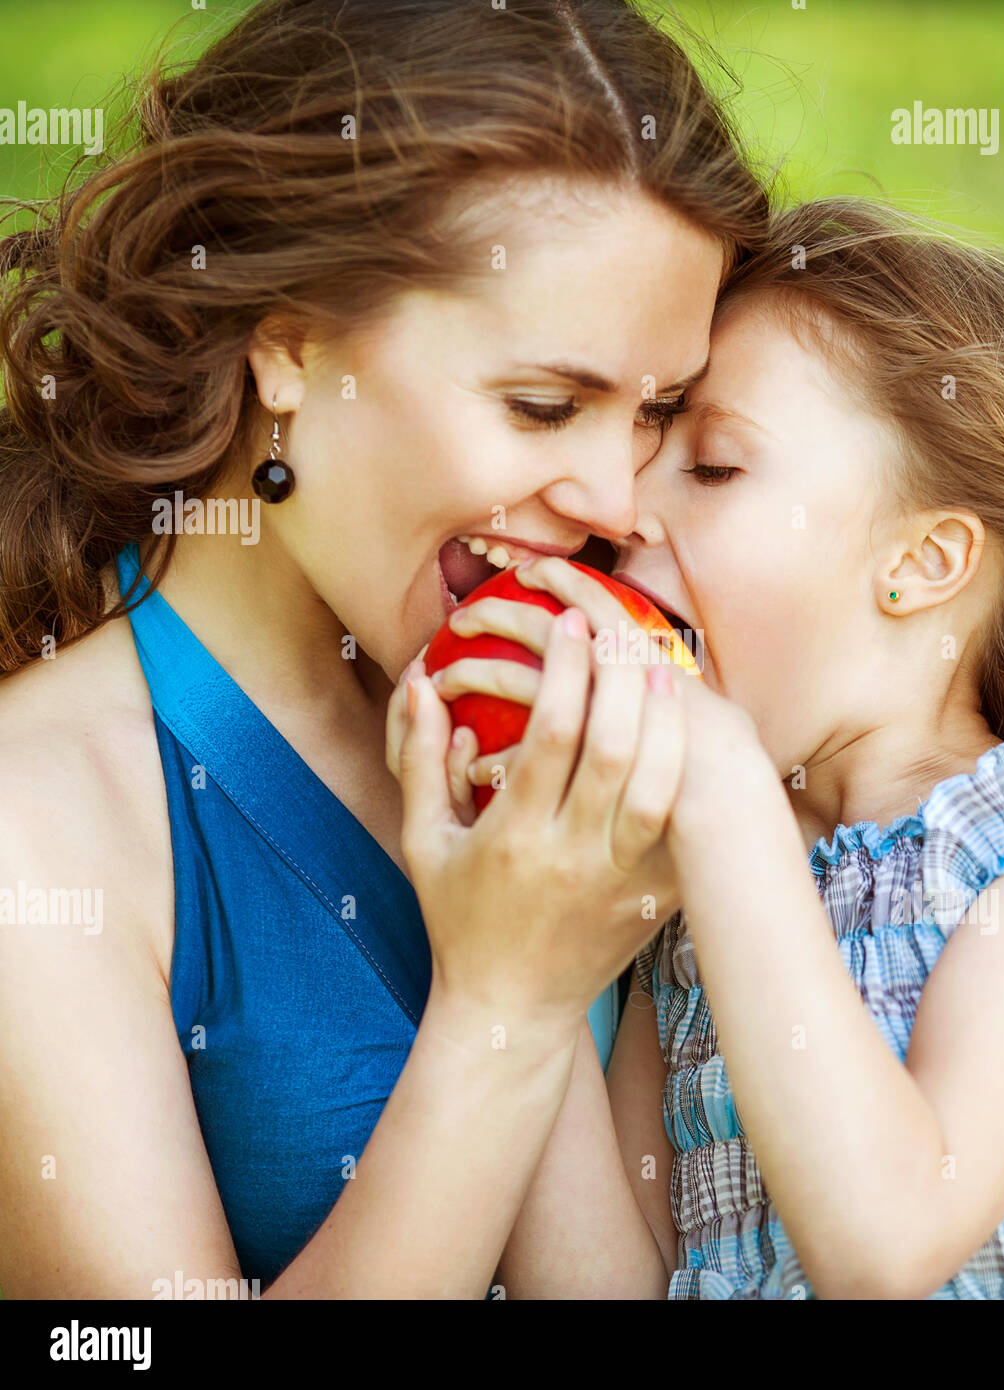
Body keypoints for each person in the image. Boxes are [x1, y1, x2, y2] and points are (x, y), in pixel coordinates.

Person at [0, 0, 768, 1296]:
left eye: (659, 411)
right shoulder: (46, 824)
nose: (620, 499)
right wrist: (509, 1004)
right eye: (542, 403)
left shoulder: (613, 680)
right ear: (291, 346)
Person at [439, 198, 1004, 1298]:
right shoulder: (688, 893)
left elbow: (889, 1241)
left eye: (710, 468)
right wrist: (535, 959)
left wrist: (727, 802)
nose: (625, 509)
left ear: (923, 563)